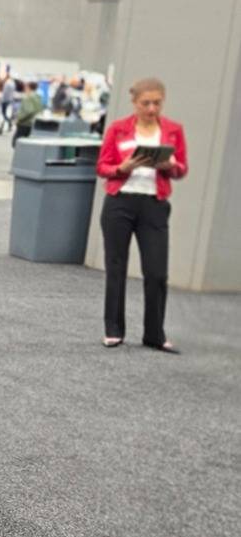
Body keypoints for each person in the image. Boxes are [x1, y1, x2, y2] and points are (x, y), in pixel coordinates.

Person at [96, 77, 188, 353]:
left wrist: (171, 165)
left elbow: (181, 169)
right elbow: (103, 166)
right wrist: (121, 167)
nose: (151, 108)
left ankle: (154, 334)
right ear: (135, 103)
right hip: (120, 203)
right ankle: (113, 330)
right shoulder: (119, 129)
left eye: (157, 103)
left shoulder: (172, 130)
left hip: (154, 204)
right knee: (116, 267)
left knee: (157, 272)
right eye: (145, 103)